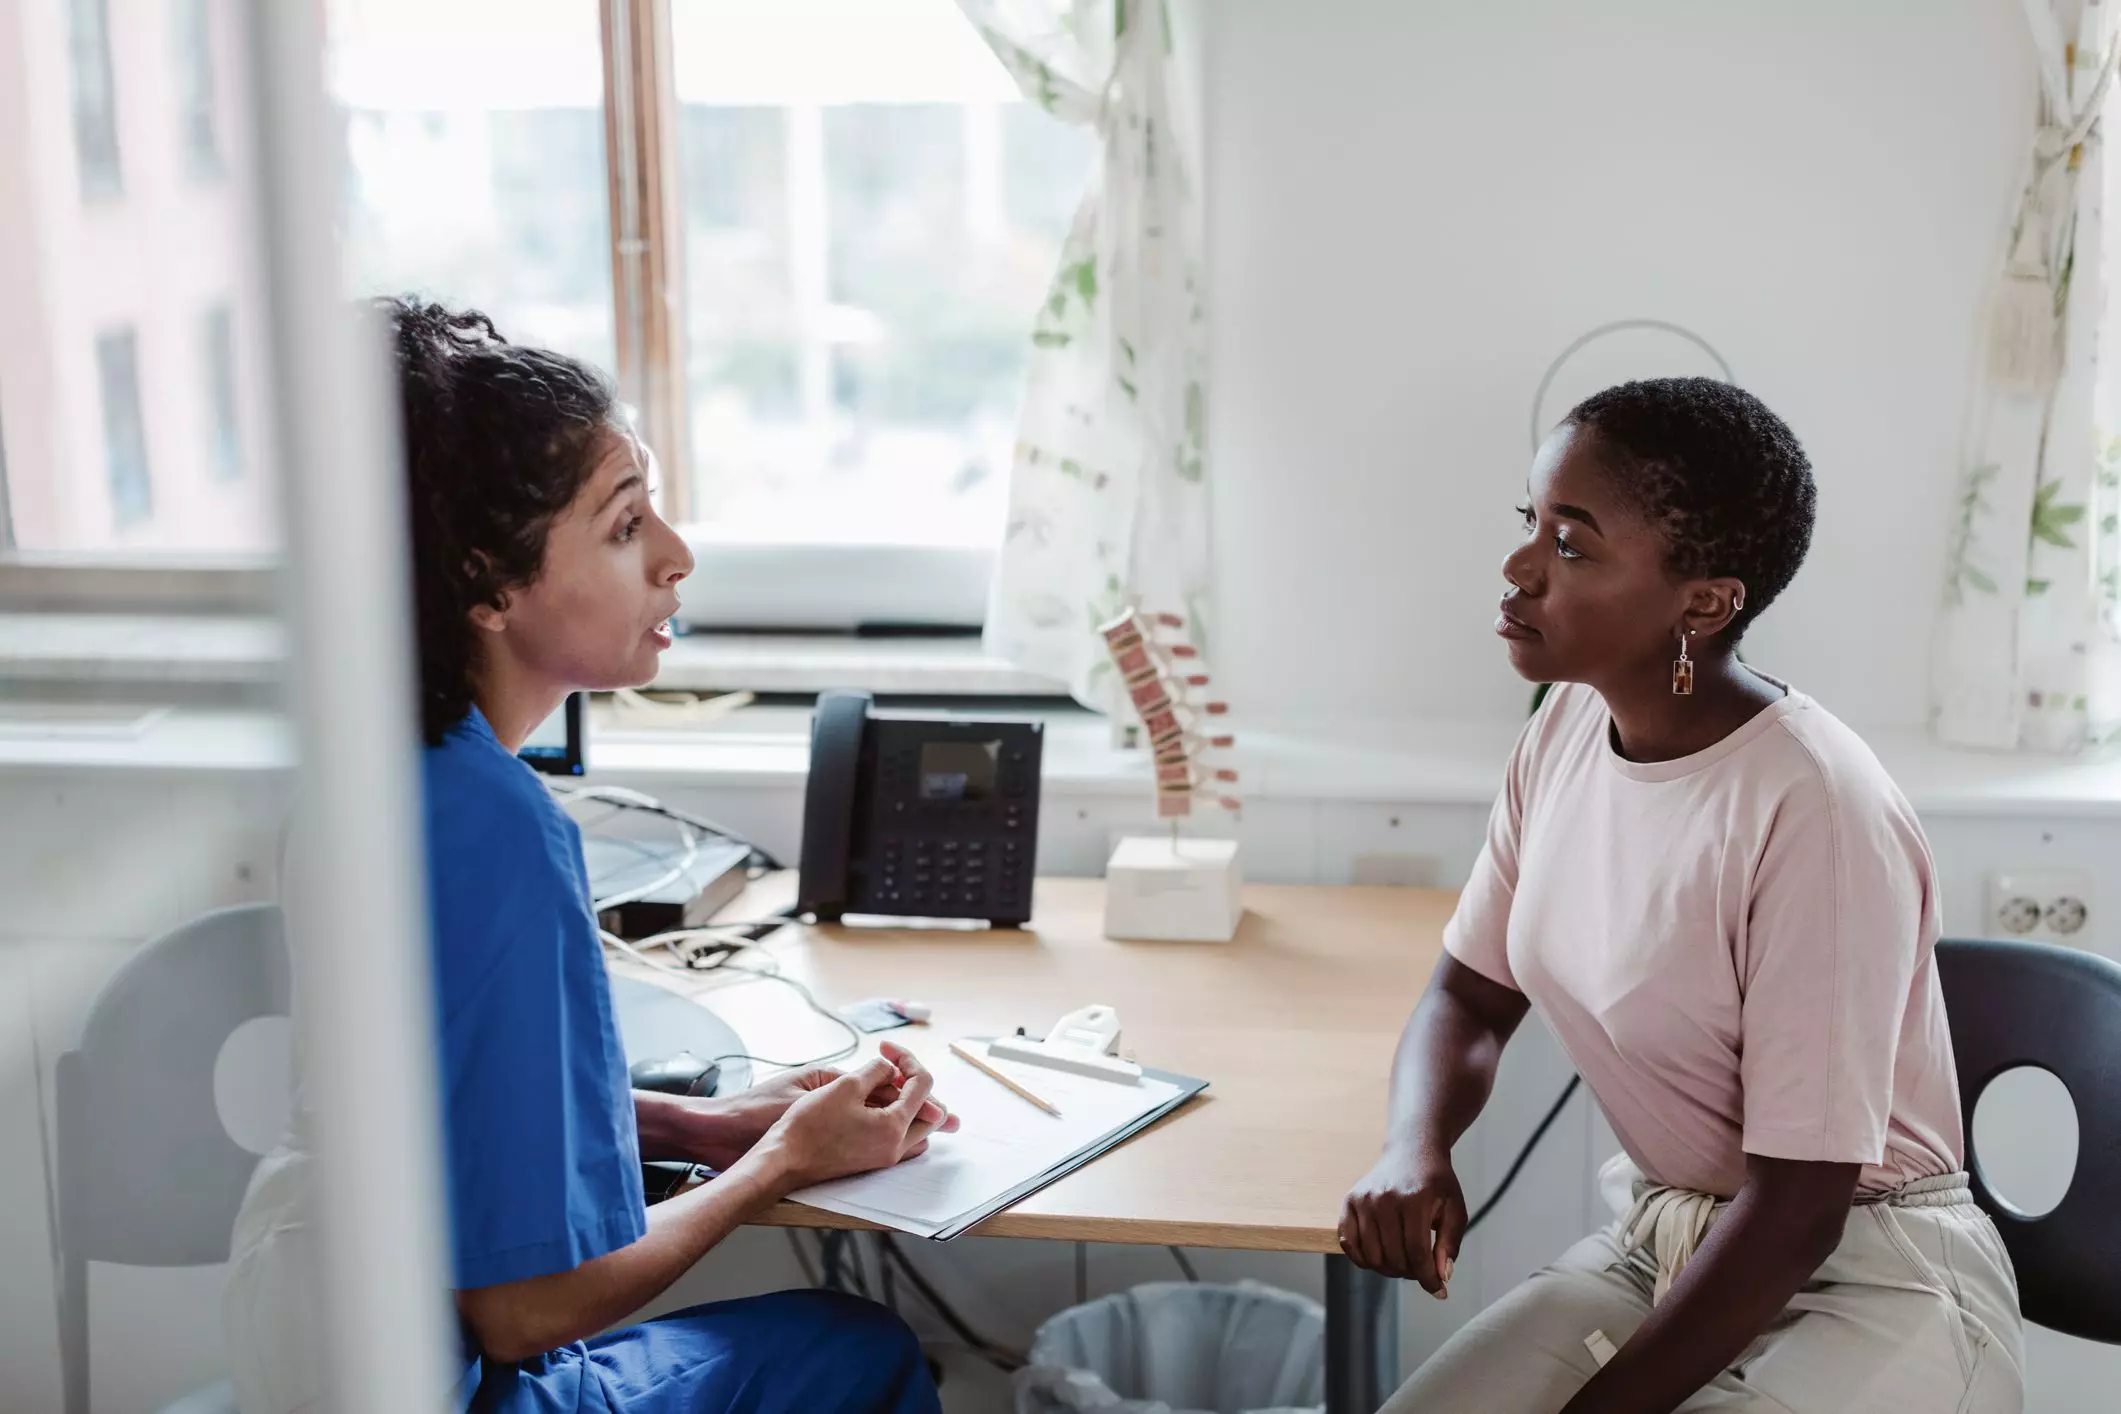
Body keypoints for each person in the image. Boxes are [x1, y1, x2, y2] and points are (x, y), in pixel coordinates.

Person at [225, 299, 952, 1414]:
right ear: (487, 585)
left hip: (309, 1354)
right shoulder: (503, 831)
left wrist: (696, 1126)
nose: (676, 556)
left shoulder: (367, 774)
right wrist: (780, 1163)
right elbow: (526, 1310)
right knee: (856, 1349)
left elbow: (428, 1111)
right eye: (624, 527)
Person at [1341, 379, 2023, 1414]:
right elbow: (1468, 998)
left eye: (1572, 545)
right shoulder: (1565, 733)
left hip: (1877, 1276)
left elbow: (1801, 1208)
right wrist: (1415, 1145)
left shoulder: (1817, 811)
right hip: (1671, 1241)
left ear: (1704, 602)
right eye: (1531, 522)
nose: (1520, 567)